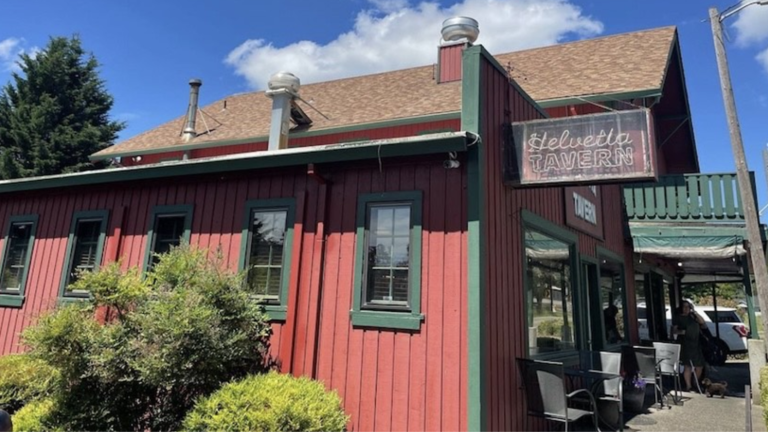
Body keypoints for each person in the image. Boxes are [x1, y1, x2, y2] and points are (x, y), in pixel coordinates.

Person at [672, 301, 706, 391]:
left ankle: (695, 382)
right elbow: (674, 331)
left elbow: (702, 322)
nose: (686, 309)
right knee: (688, 365)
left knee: (699, 365)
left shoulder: (693, 316)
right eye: (684, 307)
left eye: (688, 307)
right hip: (686, 344)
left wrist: (694, 312)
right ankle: (688, 385)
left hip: (696, 344)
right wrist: (683, 332)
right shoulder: (678, 318)